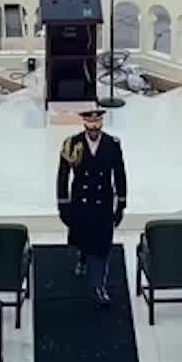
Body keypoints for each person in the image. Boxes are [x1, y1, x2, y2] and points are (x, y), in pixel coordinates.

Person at [57, 107, 127, 307]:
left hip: (103, 202)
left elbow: (119, 174)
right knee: (82, 237)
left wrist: (121, 203)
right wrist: (63, 203)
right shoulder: (72, 143)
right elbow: (63, 175)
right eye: (90, 127)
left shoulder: (112, 144)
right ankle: (82, 257)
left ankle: (99, 286)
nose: (94, 130)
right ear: (85, 125)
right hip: (81, 201)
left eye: (97, 126)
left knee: (102, 246)